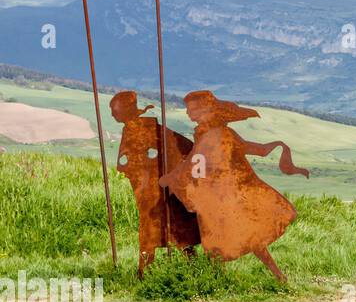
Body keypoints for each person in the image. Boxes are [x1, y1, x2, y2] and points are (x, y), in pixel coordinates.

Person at [159, 90, 308, 282]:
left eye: (192, 109)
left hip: (218, 197)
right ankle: (275, 276)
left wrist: (171, 178)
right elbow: (256, 150)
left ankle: (220, 280)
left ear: (206, 110)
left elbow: (194, 166)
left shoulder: (211, 136)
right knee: (246, 238)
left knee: (220, 238)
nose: (188, 113)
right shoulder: (218, 133)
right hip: (225, 194)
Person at [110, 90, 200, 275]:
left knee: (162, 226)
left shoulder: (148, 127)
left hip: (156, 187)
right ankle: (152, 270)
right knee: (156, 227)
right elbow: (125, 160)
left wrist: (166, 170)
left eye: (115, 110)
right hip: (144, 188)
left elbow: (181, 145)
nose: (112, 114)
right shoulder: (131, 129)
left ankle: (145, 272)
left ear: (126, 109)